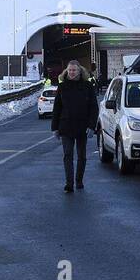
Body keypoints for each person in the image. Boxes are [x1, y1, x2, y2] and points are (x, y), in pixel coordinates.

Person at [51, 59, 98, 193]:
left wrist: (92, 126)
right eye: (70, 70)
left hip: (83, 126)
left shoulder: (87, 86)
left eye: (74, 70)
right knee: (67, 155)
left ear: (79, 71)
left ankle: (79, 181)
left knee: (81, 156)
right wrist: (55, 128)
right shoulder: (62, 87)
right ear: (67, 71)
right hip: (66, 126)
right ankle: (69, 183)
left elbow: (93, 108)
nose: (72, 72)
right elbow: (57, 108)